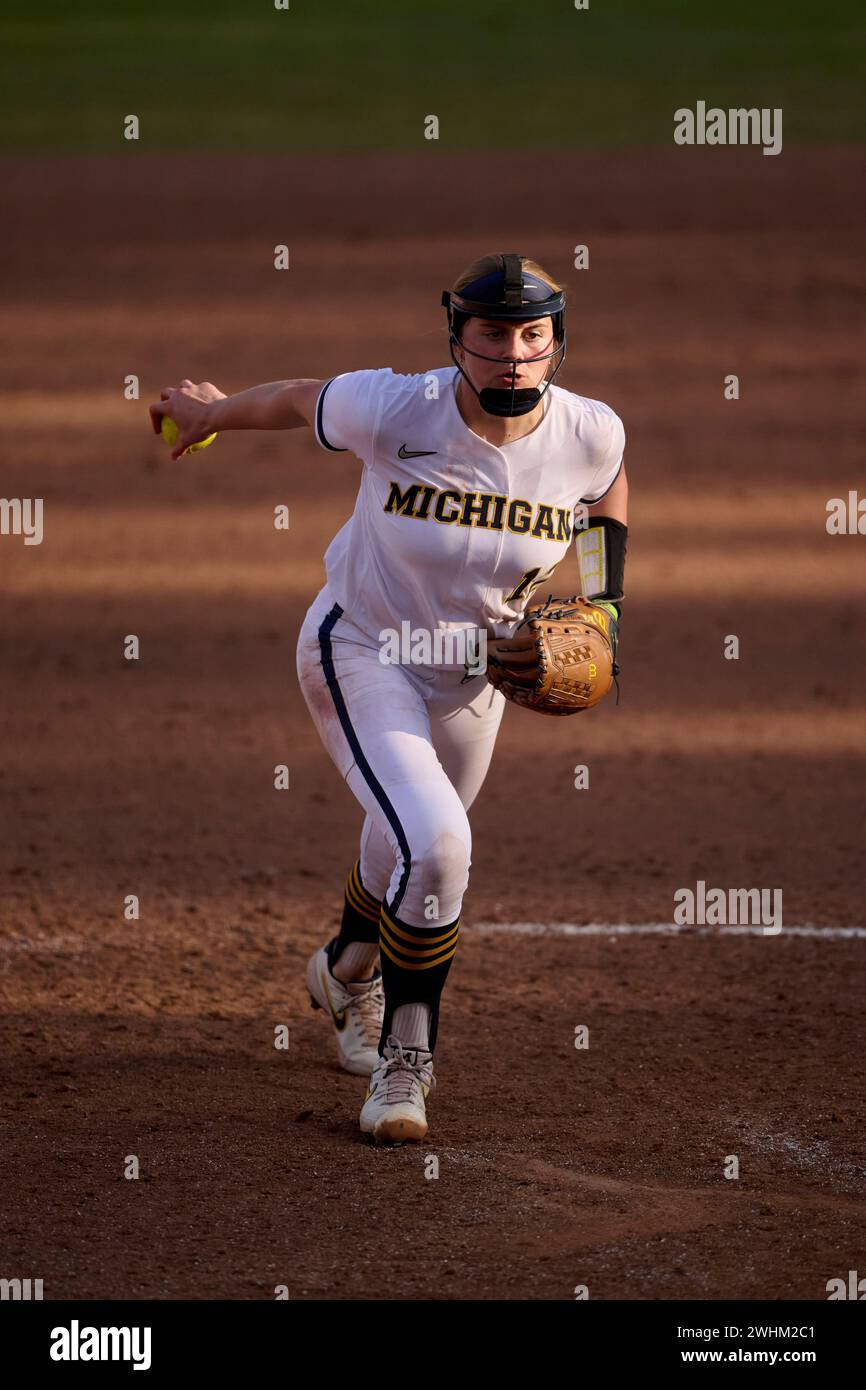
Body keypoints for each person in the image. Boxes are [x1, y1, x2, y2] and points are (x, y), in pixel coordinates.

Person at [149, 252, 629, 1145]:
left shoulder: (590, 431)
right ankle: (408, 1065)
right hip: (362, 649)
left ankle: (345, 969)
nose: (513, 357)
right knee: (440, 845)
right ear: (457, 337)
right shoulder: (396, 408)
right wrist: (211, 412)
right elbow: (299, 396)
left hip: (475, 675)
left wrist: (604, 602)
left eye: (534, 337)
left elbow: (606, 498)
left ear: (557, 344)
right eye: (492, 335)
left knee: (406, 834)